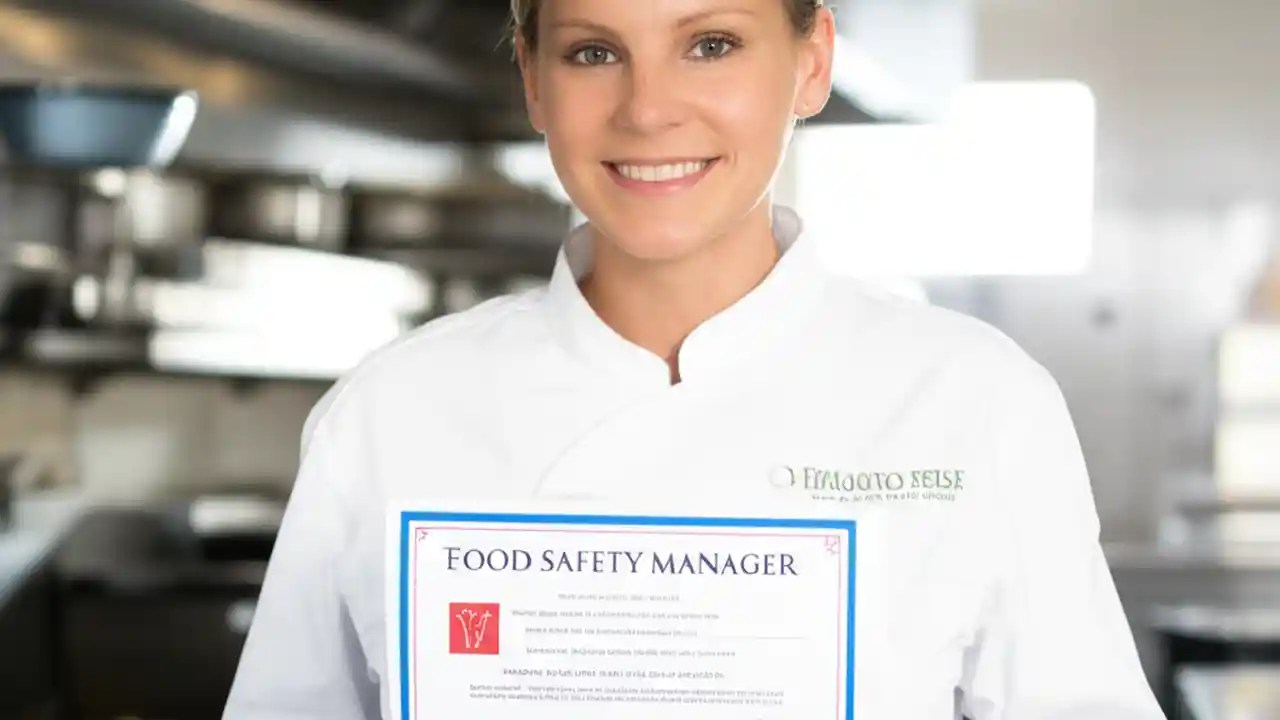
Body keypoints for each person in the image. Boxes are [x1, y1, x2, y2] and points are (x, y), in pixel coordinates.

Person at [223, 0, 1166, 718]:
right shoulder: (390, 412)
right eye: (595, 53)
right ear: (535, 82)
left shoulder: (972, 399)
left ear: (812, 61)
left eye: (710, 44)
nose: (649, 110)